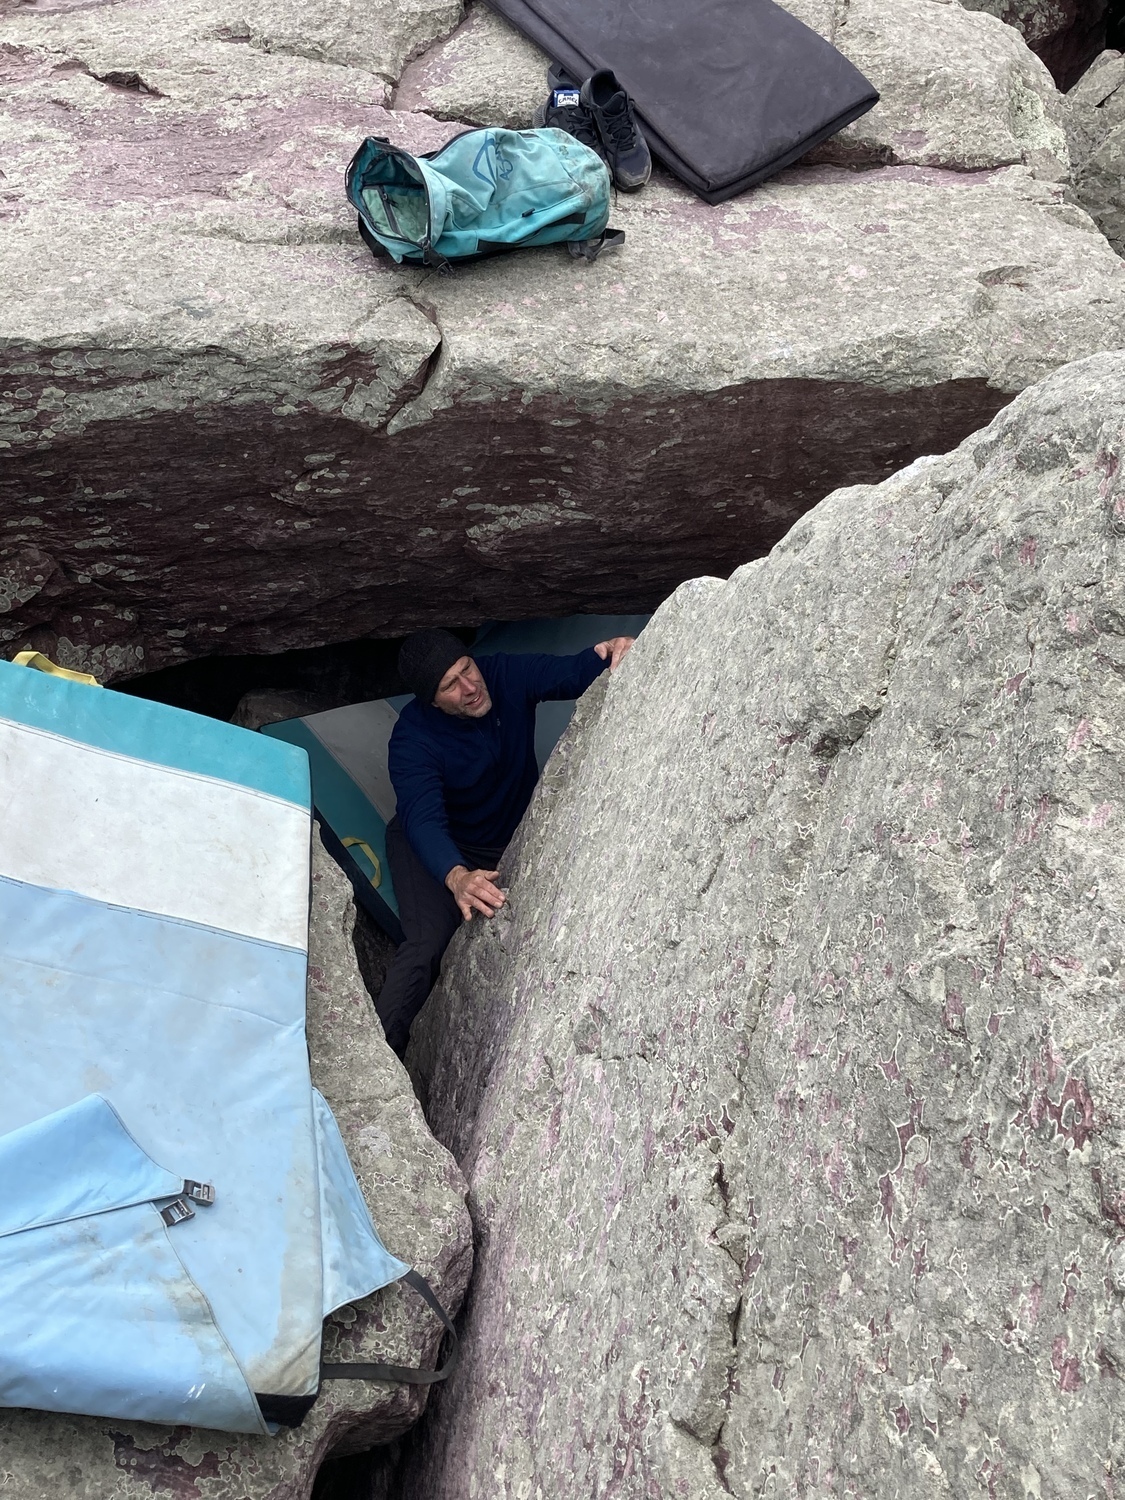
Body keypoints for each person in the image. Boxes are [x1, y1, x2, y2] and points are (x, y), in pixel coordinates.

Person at [375, 627, 635, 1056]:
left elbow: (568, 673)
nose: (470, 687)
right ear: (431, 701)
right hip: (441, 849)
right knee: (426, 946)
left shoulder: (504, 674)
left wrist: (611, 651)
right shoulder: (411, 739)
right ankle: (381, 1058)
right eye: (450, 686)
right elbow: (423, 819)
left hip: (505, 839)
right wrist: (456, 876)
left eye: (467, 669)